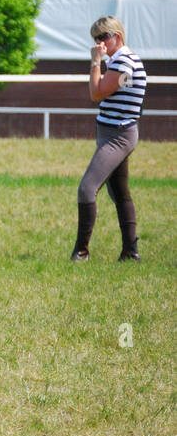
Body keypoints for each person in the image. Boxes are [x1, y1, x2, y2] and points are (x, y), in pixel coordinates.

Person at [72, 16, 146, 262]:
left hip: (118, 135)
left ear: (118, 36)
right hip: (111, 132)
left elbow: (97, 93)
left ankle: (81, 252)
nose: (99, 43)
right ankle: (130, 251)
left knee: (87, 189)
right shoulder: (119, 60)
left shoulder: (124, 61)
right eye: (96, 38)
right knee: (119, 193)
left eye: (104, 37)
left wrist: (95, 62)